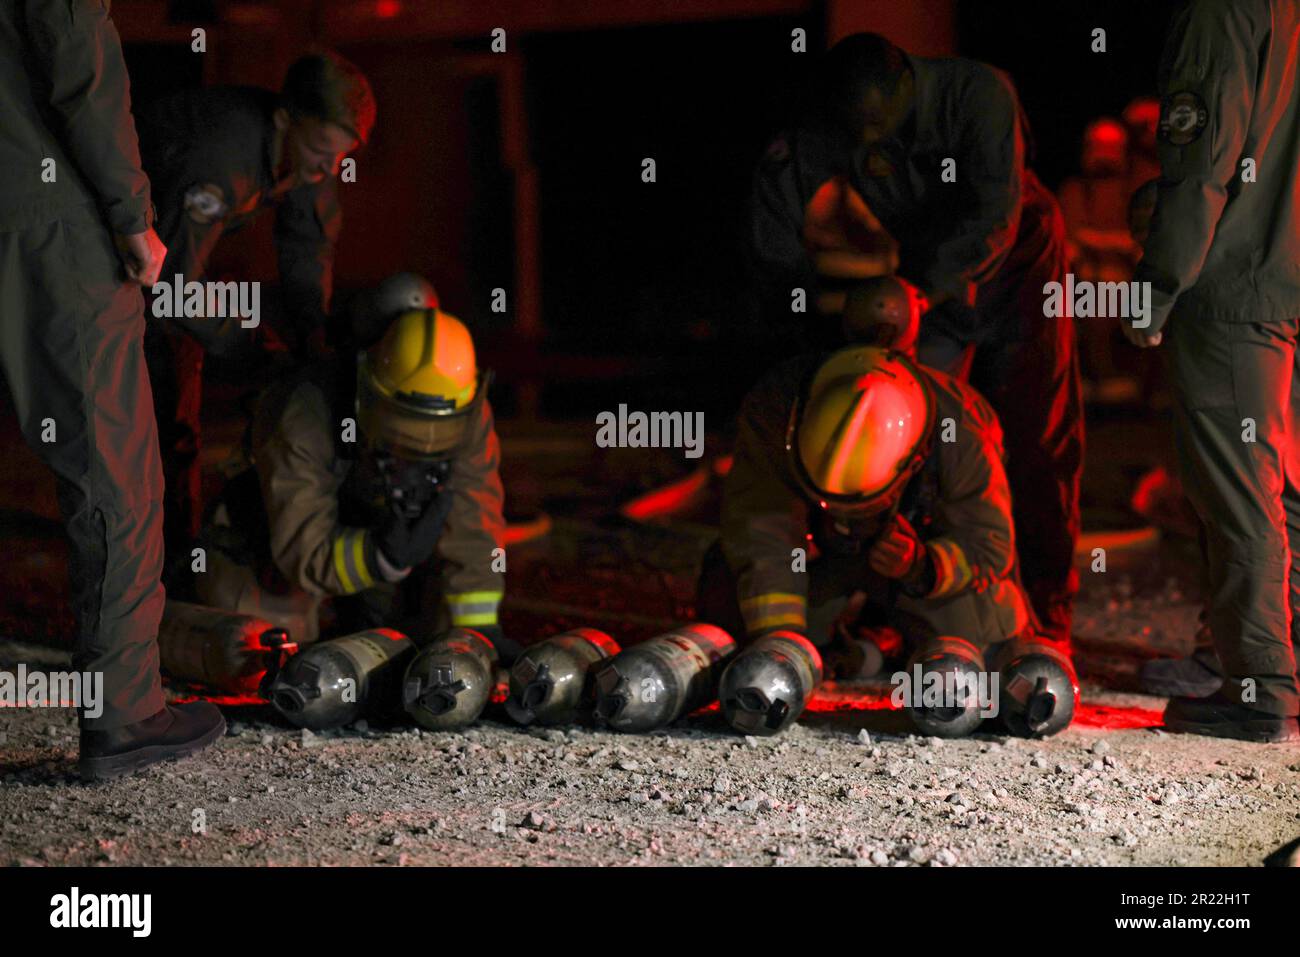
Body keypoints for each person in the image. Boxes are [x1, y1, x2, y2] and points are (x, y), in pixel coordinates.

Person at [748, 32, 1083, 647]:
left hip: (1021, 265)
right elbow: (776, 207)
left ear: (908, 83)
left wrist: (924, 296)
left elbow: (993, 217)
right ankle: (897, 594)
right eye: (858, 135)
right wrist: (795, 321)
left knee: (1037, 430)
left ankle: (1047, 611)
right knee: (901, 433)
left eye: (881, 128)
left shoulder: (980, 93)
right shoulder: (831, 116)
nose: (870, 144)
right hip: (921, 272)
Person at [0, 0, 223, 780]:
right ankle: (125, 713)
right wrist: (134, 216)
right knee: (112, 466)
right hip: (40, 217)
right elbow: (76, 58)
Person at [1123, 0, 1300, 741]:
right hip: (1287, 274)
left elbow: (1202, 162)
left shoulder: (1220, 9)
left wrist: (1155, 289)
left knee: (1237, 491)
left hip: (1234, 287)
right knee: (1281, 484)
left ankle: (1258, 687)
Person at [135, 52, 376, 569]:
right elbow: (171, 289)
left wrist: (313, 341)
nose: (327, 169)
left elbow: (306, 247)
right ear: (285, 118)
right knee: (164, 403)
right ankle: (165, 564)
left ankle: (175, 547)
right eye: (319, 152)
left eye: (339, 158)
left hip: (169, 257)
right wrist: (254, 347)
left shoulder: (308, 154)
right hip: (116, 260)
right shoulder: (217, 158)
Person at [191, 300, 514, 659]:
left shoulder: (467, 412)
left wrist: (478, 630)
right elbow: (301, 547)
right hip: (273, 542)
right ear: (368, 390)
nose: (423, 445)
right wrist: (381, 558)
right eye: (404, 426)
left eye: (440, 432)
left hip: (376, 538)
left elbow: (474, 523)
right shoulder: (304, 410)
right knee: (268, 645)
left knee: (433, 645)